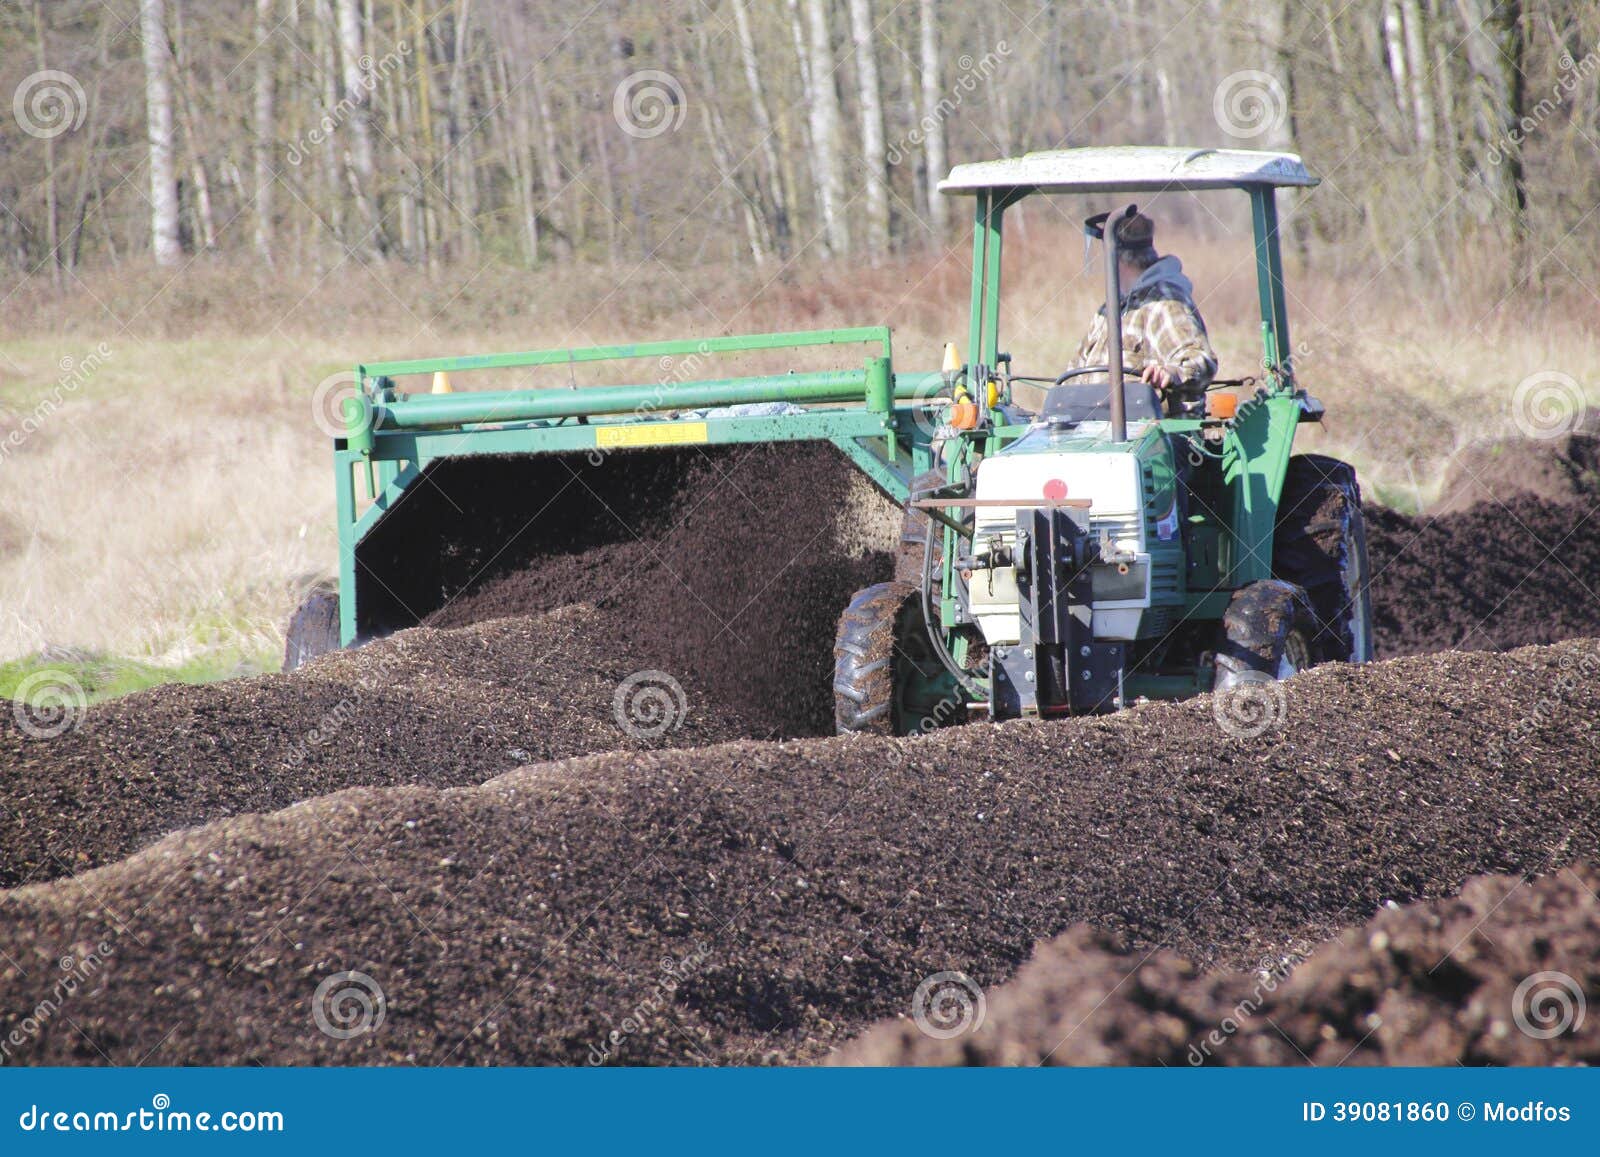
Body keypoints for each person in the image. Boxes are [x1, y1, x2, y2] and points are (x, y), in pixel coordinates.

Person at [1071, 211, 1217, 413]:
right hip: (1093, 430)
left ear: (1116, 256)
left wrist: (1170, 372)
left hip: (1149, 434)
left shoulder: (1164, 302)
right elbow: (1073, 374)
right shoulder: (1108, 311)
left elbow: (1200, 359)